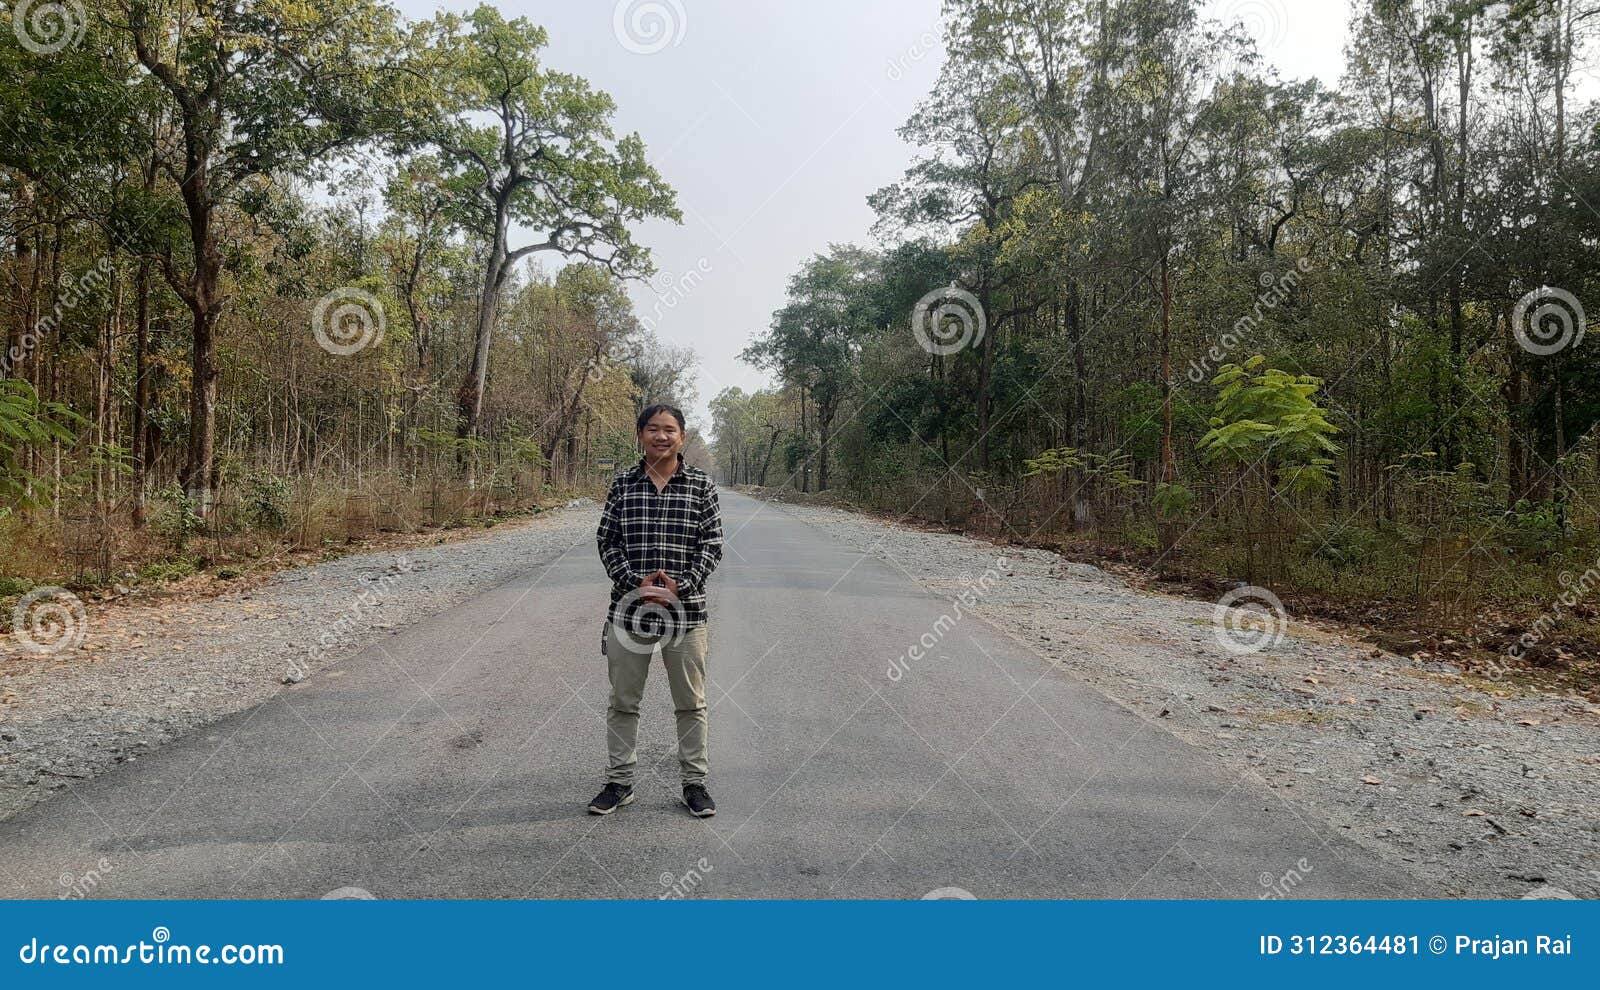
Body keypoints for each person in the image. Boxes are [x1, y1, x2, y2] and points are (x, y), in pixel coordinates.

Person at [589, 403, 724, 818]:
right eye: (653, 429)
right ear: (640, 435)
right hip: (629, 613)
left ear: (681, 437)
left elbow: (712, 545)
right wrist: (636, 583)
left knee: (691, 703)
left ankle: (694, 783)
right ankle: (620, 782)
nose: (661, 436)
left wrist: (679, 586)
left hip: (686, 615)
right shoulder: (623, 485)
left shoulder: (701, 486)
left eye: (669, 430)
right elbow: (606, 541)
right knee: (623, 702)